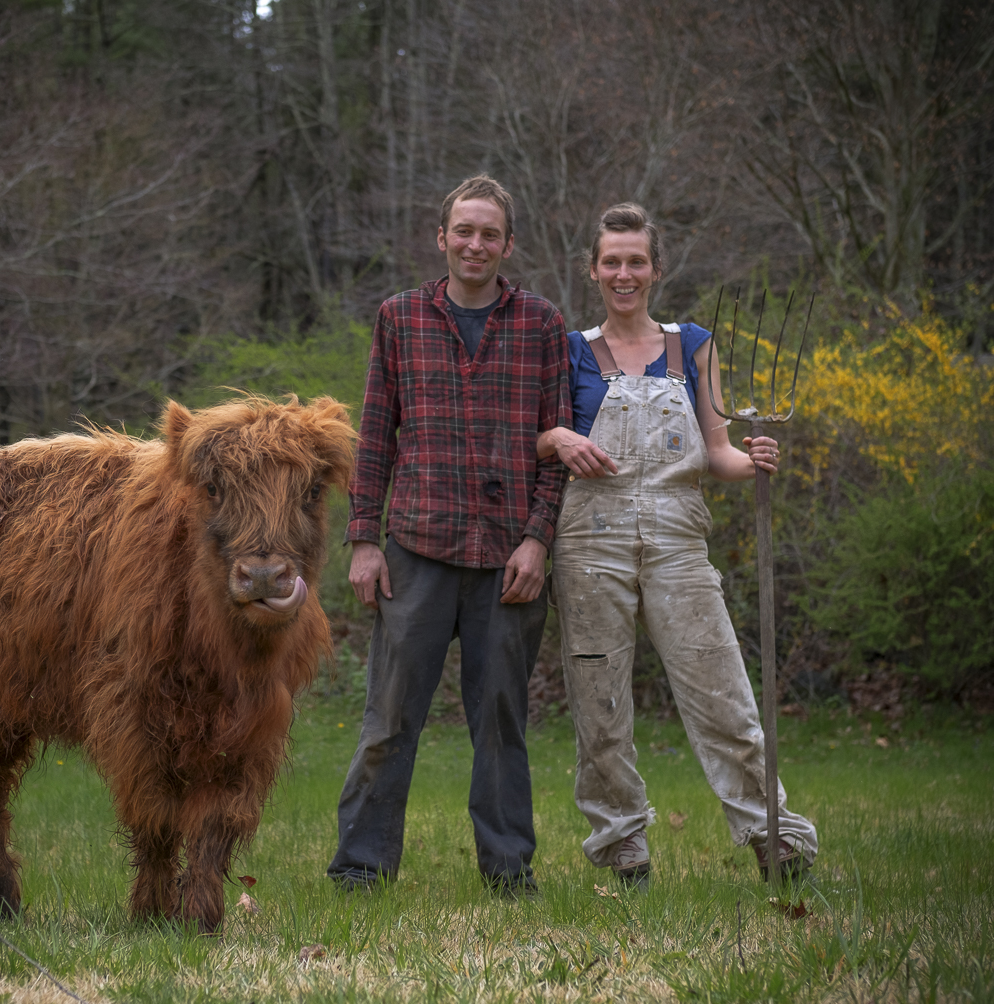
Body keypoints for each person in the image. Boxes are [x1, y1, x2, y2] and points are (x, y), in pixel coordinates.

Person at [539, 203, 818, 890]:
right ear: (594, 269)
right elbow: (542, 437)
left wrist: (753, 462)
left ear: (656, 268)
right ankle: (622, 848)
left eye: (637, 261)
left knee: (721, 691)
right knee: (600, 702)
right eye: (612, 261)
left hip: (676, 539)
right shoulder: (568, 348)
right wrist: (557, 439)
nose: (624, 273)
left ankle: (774, 839)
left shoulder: (692, 344)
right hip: (590, 541)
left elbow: (714, 453)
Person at [327, 175, 569, 896]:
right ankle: (359, 870)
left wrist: (538, 541)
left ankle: (507, 871)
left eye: (489, 233)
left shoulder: (542, 324)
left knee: (502, 723)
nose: (475, 244)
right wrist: (364, 539)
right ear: (442, 238)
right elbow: (375, 436)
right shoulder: (400, 317)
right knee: (389, 718)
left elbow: (558, 447)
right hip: (417, 550)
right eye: (463, 230)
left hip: (509, 562)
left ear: (508, 245)